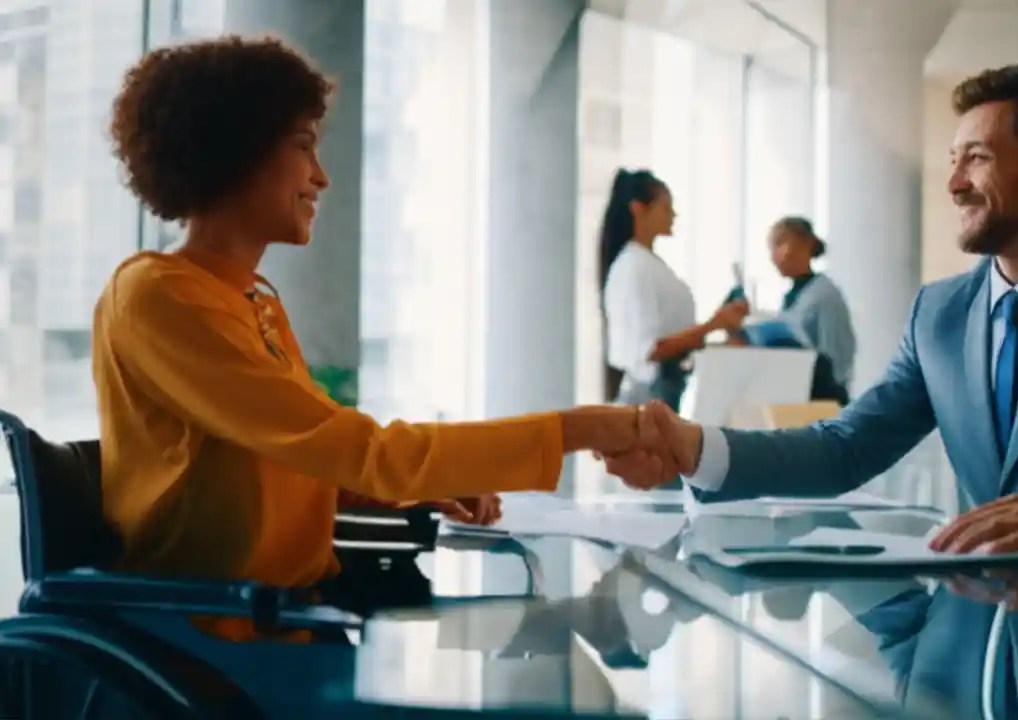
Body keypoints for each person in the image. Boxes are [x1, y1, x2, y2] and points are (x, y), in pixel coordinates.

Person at [94, 36, 676, 629]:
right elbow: (360, 450)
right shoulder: (159, 297)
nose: (320, 178)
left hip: (291, 621)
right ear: (233, 148)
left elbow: (307, 463)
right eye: (303, 147)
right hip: (216, 639)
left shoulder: (249, 299)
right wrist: (579, 428)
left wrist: (410, 491)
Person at [604, 64, 1018, 556]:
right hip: (973, 644)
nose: (953, 184)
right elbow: (849, 445)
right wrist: (695, 446)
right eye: (953, 159)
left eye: (976, 158)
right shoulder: (940, 313)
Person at [600, 169, 749, 412]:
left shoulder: (648, 264)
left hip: (665, 394)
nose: (673, 215)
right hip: (648, 398)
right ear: (638, 209)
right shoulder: (634, 267)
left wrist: (719, 326)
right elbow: (649, 349)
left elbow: (673, 337)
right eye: (666, 207)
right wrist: (714, 324)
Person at [746, 216, 856, 405]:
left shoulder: (825, 295)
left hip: (822, 399)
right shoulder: (792, 296)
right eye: (771, 248)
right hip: (796, 394)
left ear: (806, 244)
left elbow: (838, 356)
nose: (774, 256)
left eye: (780, 243)